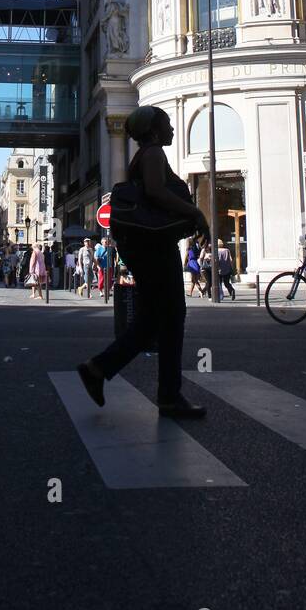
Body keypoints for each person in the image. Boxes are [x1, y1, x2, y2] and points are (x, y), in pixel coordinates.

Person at [77, 106, 209, 419]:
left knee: (153, 318)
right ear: (153, 129)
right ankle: (168, 395)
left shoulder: (145, 154)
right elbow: (155, 191)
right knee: (172, 316)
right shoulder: (152, 154)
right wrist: (194, 212)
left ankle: (100, 368)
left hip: (145, 247)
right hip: (155, 248)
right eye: (167, 123)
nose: (173, 128)